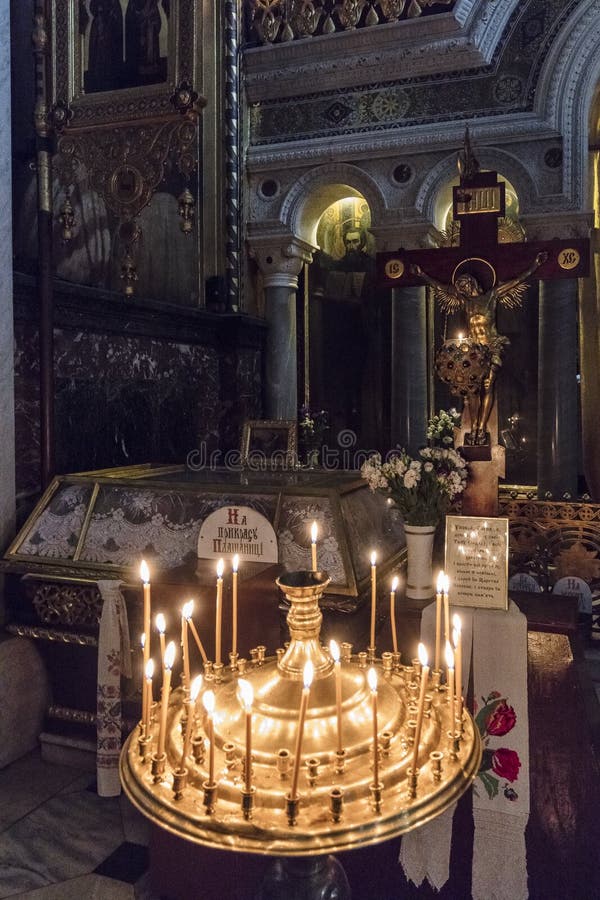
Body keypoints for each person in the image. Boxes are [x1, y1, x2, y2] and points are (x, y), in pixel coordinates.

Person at [411, 251, 547, 445]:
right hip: (474, 351)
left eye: (464, 286)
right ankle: (474, 427)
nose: (462, 290)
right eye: (460, 288)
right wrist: (422, 274)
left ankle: (481, 429)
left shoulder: (491, 296)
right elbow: (442, 288)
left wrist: (535, 265)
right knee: (472, 390)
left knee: (487, 385)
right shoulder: (465, 302)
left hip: (492, 347)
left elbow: (515, 281)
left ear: (471, 283)